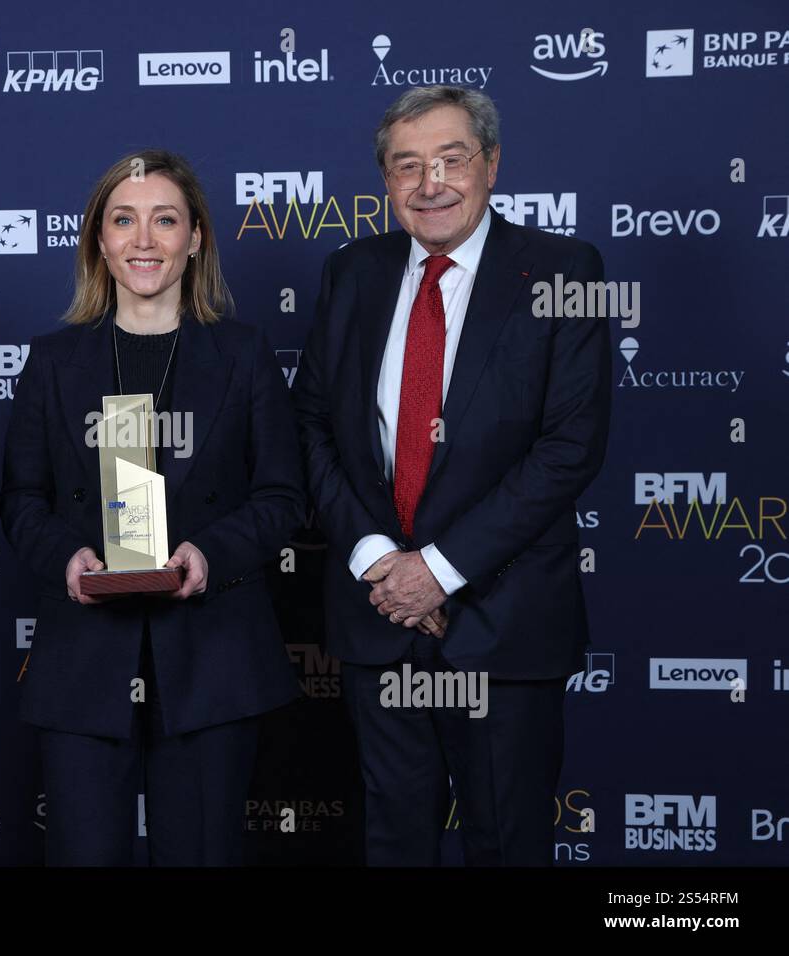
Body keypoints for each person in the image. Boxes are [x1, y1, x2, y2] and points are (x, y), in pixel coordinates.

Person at [293, 86, 611, 866]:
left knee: (506, 842)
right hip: (379, 620)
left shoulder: (568, 270)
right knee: (393, 842)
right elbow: (310, 427)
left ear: (491, 165)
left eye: (450, 159)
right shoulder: (352, 272)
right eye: (407, 166)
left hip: (502, 623)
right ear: (387, 183)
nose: (429, 181)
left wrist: (436, 571)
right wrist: (379, 563)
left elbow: (570, 448)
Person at [0, 149, 303, 865]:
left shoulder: (245, 353)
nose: (143, 240)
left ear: (195, 237)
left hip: (211, 658)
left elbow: (283, 496)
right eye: (123, 220)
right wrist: (64, 558)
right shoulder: (52, 361)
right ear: (98, 240)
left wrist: (210, 553)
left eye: (164, 220)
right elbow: (20, 498)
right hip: (83, 662)